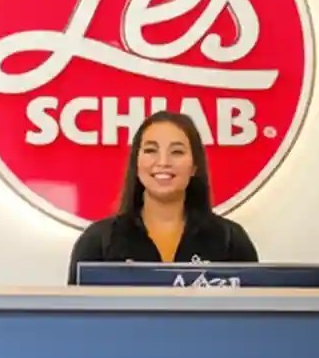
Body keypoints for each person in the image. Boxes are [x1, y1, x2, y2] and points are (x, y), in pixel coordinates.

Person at [67, 110, 258, 284]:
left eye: (177, 152)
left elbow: (252, 309)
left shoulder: (230, 240)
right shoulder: (99, 242)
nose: (163, 162)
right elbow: (76, 310)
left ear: (194, 166)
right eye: (151, 150)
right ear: (137, 162)